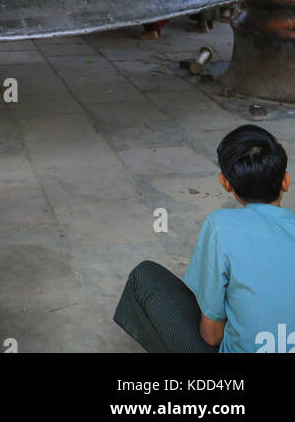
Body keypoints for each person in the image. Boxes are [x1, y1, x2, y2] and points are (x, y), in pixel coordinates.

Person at [114, 125, 295, 352]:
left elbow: (212, 337)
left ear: (226, 183)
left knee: (144, 275)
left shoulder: (221, 226)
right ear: (286, 181)